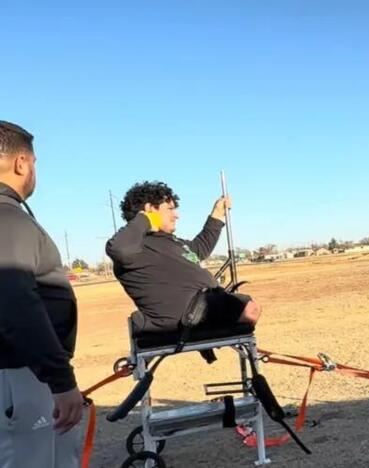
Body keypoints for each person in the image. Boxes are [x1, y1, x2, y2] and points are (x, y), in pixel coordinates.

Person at [0, 121, 84, 467]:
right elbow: (15, 301)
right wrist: (60, 381)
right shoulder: (8, 221)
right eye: (34, 164)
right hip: (21, 376)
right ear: (22, 163)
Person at [106, 181, 262, 333]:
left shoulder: (169, 242)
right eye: (170, 209)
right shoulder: (135, 247)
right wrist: (145, 218)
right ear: (150, 208)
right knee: (250, 309)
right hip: (189, 316)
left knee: (247, 305)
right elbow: (119, 249)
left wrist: (217, 214)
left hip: (202, 308)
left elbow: (198, 250)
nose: (176, 215)